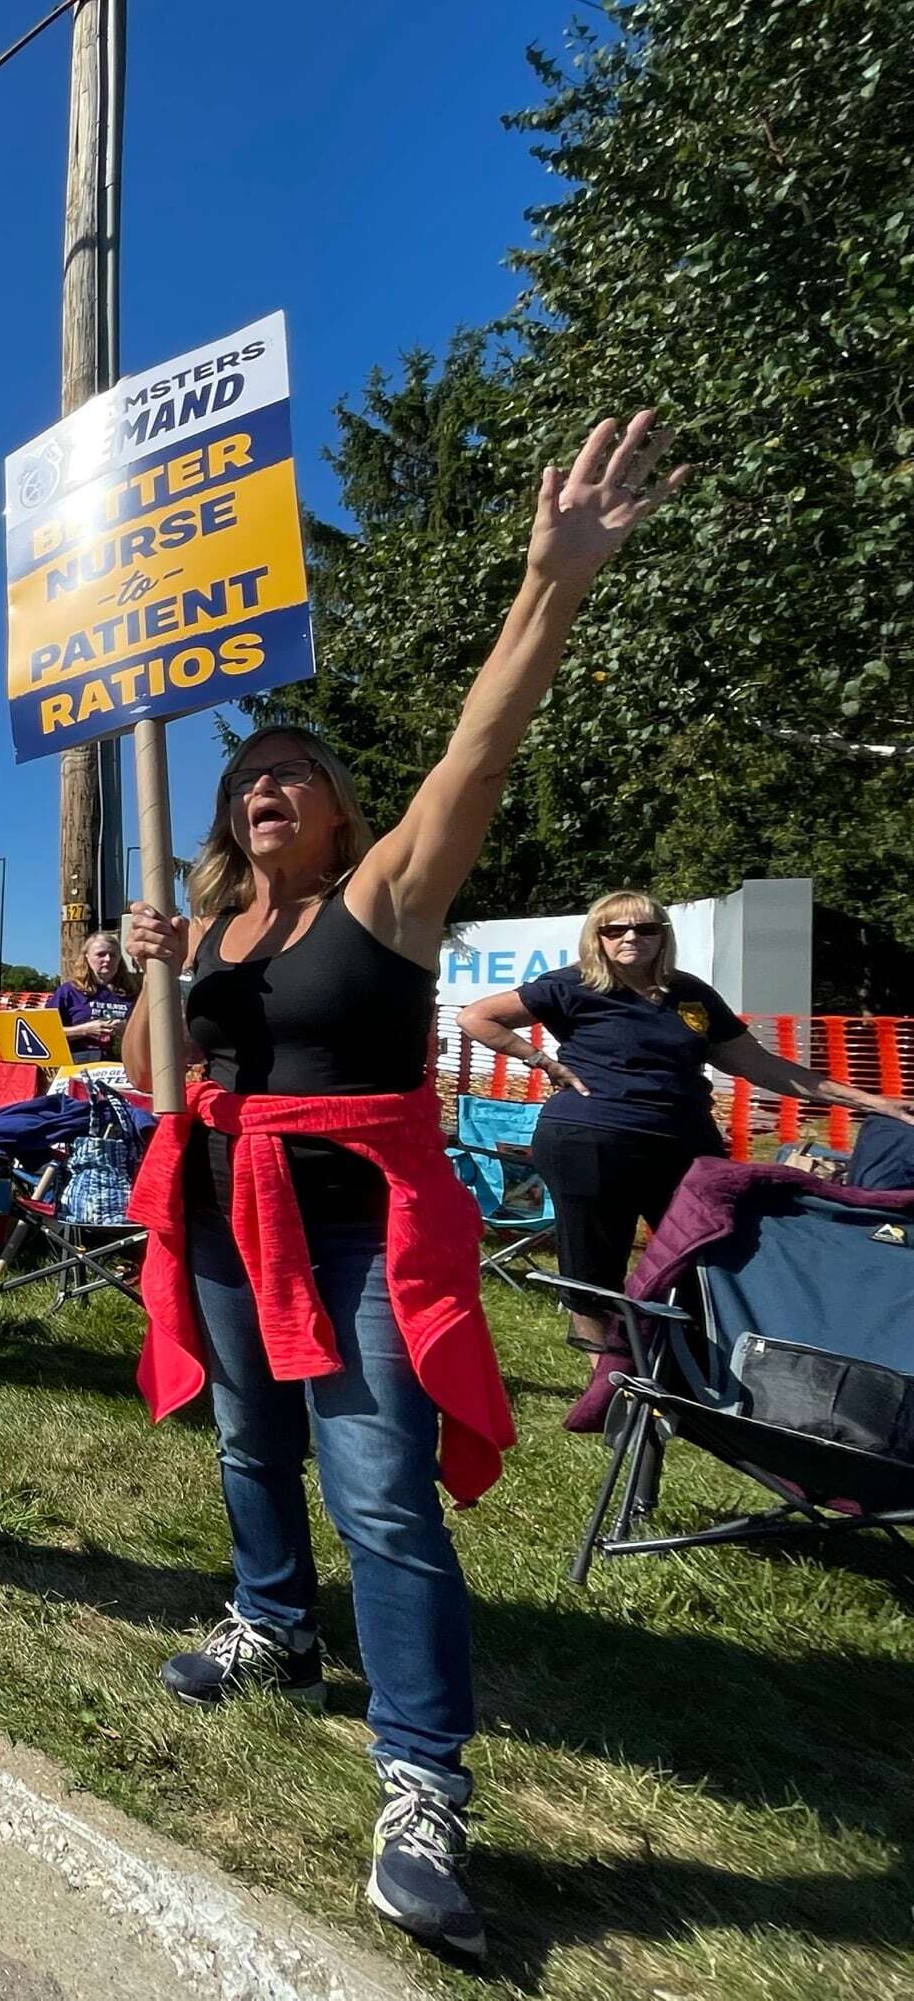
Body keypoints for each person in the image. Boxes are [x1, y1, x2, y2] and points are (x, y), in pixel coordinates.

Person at [120, 410, 690, 1958]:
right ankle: (274, 1620)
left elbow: (480, 746)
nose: (264, 788)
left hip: (363, 1216)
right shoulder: (215, 938)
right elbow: (144, 1075)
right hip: (229, 1204)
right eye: (248, 776)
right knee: (250, 1436)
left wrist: (550, 583)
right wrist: (149, 975)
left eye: (293, 773)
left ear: (343, 813)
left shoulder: (386, 897)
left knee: (381, 1484)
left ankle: (422, 1778)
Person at [457, 889, 914, 1425]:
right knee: (593, 1269)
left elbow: (761, 1065)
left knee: (709, 1253)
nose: (631, 938)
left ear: (662, 935)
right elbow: (477, 1017)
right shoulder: (572, 985)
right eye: (615, 930)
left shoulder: (689, 995)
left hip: (686, 1144)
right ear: (597, 937)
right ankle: (610, 1392)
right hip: (590, 1138)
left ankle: (699, 1375)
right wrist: (541, 1061)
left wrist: (870, 1101)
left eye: (645, 928)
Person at [52, 931, 137, 1062]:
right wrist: (84, 1030)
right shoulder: (69, 991)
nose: (108, 959)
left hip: (124, 1064)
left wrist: (127, 1030)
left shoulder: (132, 992)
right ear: (86, 957)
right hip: (79, 1062)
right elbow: (46, 1034)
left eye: (113, 955)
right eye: (100, 954)